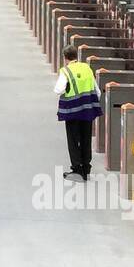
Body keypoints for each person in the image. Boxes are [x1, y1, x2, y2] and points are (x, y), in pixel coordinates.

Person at [55, 43, 102, 181]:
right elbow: (97, 91)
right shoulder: (87, 68)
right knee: (86, 138)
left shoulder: (66, 71)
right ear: (76, 56)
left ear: (65, 57)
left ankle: (77, 170)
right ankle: (86, 168)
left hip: (72, 111)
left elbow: (58, 89)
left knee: (74, 140)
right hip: (88, 110)